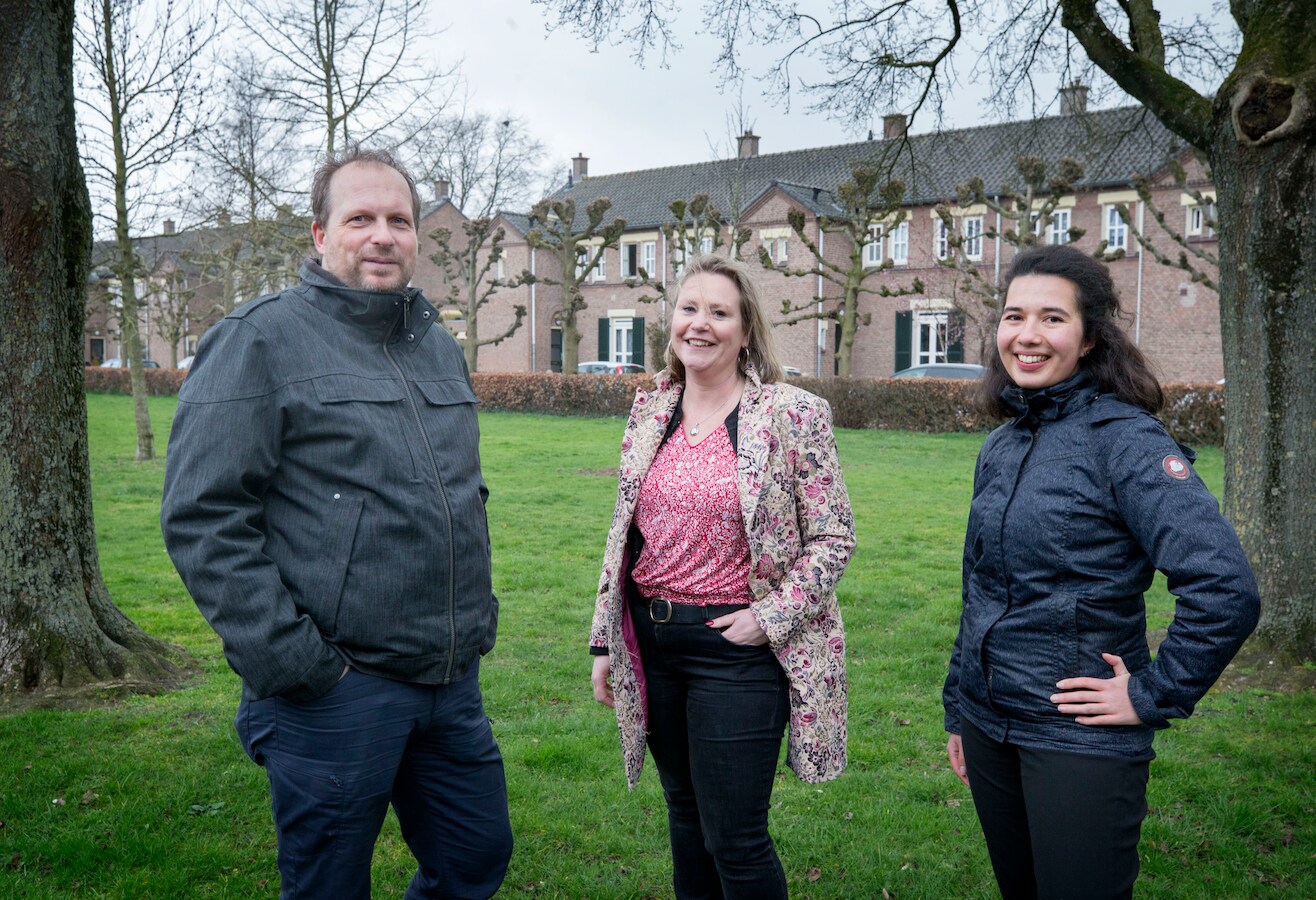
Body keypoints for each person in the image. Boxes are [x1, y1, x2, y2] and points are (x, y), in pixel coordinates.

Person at [161, 146, 512, 900]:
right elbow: (202, 517)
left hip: (449, 679)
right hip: (336, 690)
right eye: (360, 219)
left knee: (475, 859)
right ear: (320, 236)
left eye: (399, 220)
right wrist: (299, 667)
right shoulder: (258, 339)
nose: (382, 236)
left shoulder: (437, 346)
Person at [943, 244, 1260, 900]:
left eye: (1052, 319)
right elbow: (981, 587)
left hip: (1077, 738)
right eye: (1013, 316)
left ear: (1090, 338)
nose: (1027, 336)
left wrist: (1151, 694)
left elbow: (1225, 586)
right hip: (988, 725)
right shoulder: (1002, 445)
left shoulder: (1128, 443)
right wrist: (959, 707)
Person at [589, 254, 855, 898]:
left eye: (718, 312)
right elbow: (625, 532)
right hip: (654, 644)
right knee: (684, 816)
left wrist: (768, 620)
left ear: (744, 329)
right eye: (688, 308)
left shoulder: (791, 414)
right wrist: (606, 642)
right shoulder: (651, 411)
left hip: (735, 650)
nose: (699, 324)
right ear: (671, 322)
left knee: (735, 837)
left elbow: (833, 537)